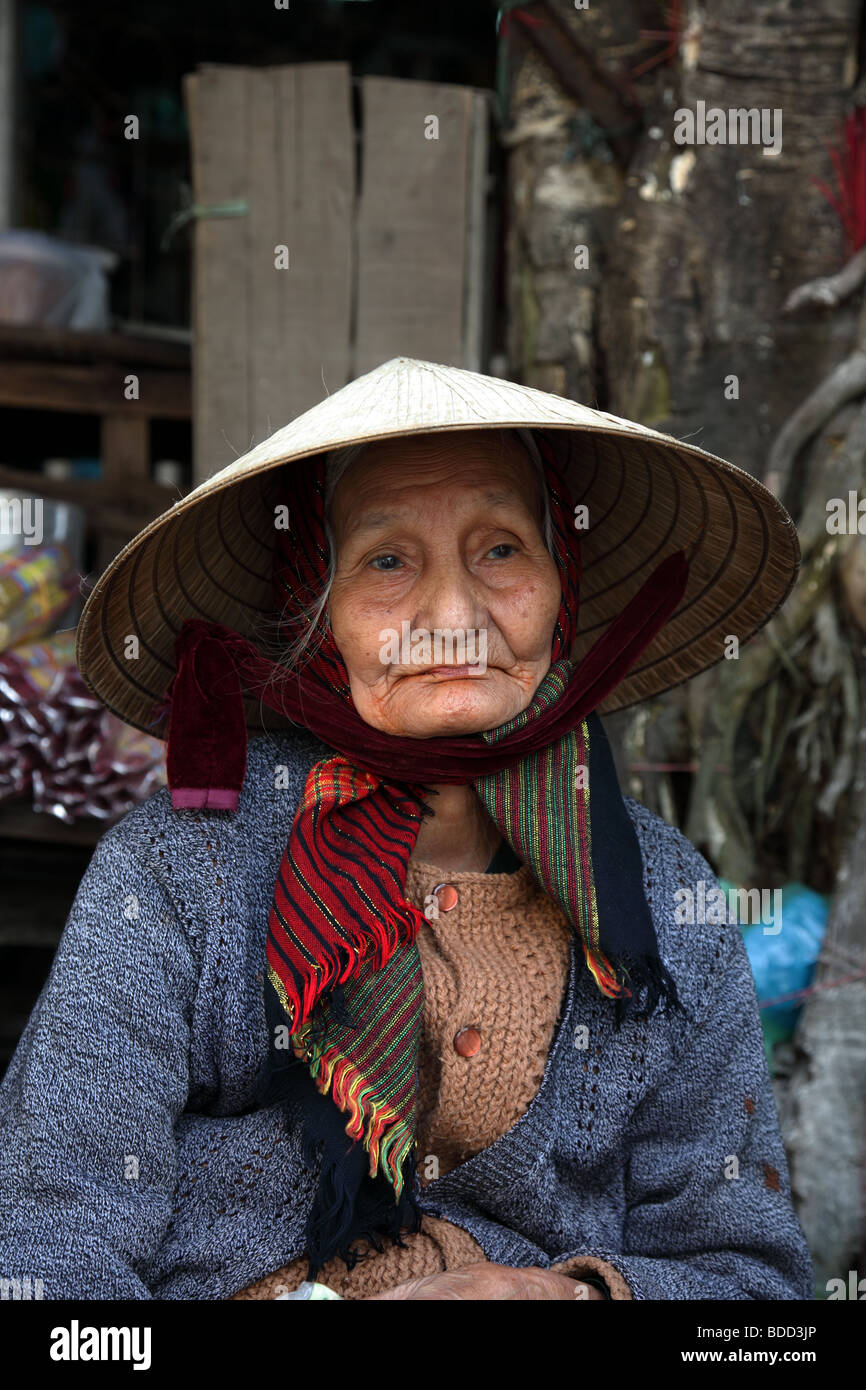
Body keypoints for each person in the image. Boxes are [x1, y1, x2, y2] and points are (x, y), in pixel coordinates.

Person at [0, 357, 812, 1300]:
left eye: (501, 548)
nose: (455, 616)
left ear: (564, 586)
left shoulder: (664, 899)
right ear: (319, 611)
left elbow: (758, 1307)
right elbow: (44, 1248)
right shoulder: (176, 876)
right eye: (387, 560)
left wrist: (570, 1297)